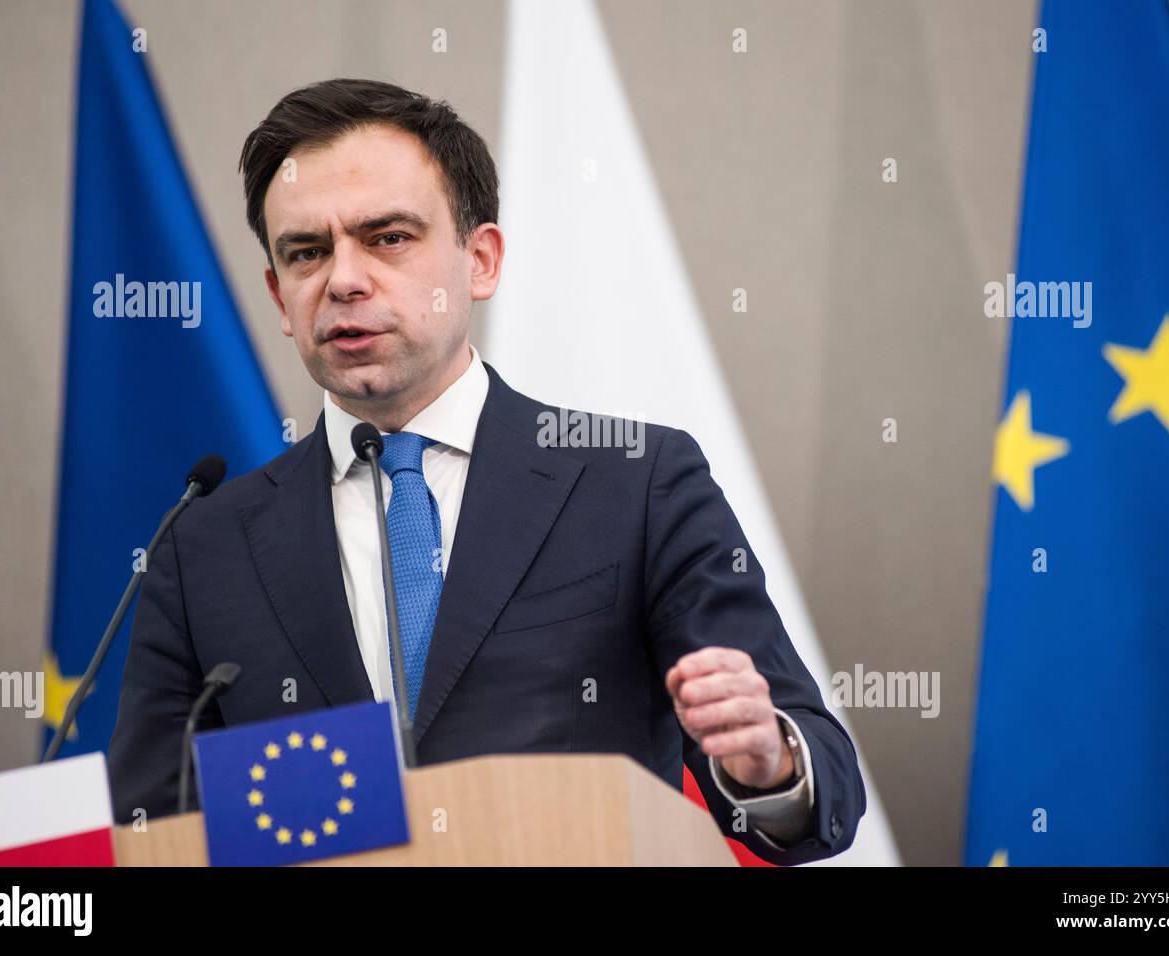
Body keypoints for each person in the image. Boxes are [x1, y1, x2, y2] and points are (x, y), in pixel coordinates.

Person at [108, 78, 864, 865]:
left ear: (480, 260)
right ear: (277, 293)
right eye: (307, 252)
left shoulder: (637, 484)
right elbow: (146, 829)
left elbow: (824, 783)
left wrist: (766, 761)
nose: (343, 279)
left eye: (389, 237)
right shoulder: (203, 548)